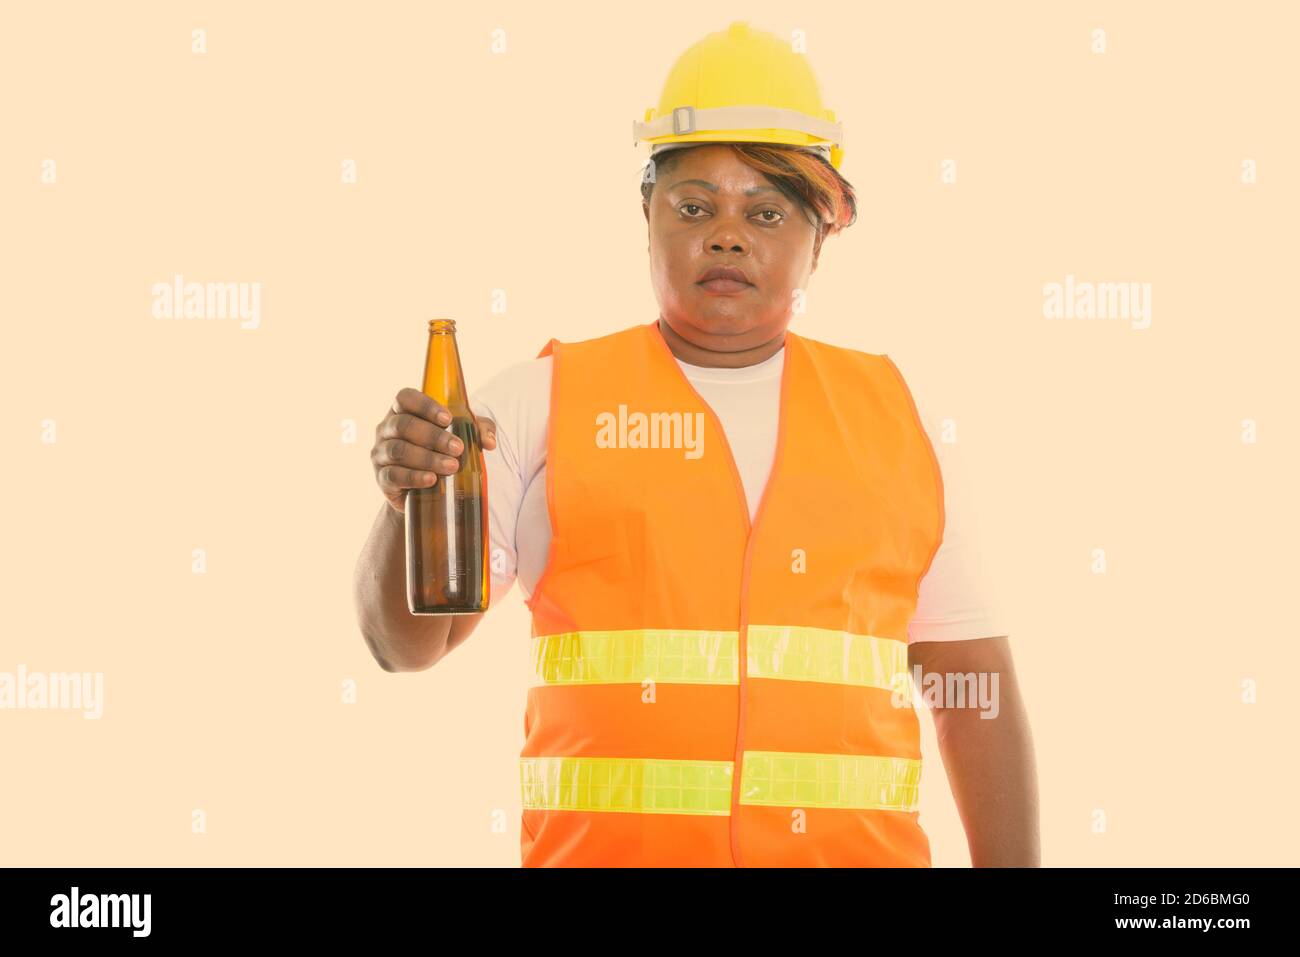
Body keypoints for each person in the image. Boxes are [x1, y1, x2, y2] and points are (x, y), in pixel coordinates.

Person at [354, 20, 1038, 867]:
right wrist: (403, 507)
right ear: (647, 213)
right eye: (693, 205)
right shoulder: (532, 405)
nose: (727, 234)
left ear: (819, 236)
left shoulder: (900, 418)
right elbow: (402, 647)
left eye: (767, 211)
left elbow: (972, 690)